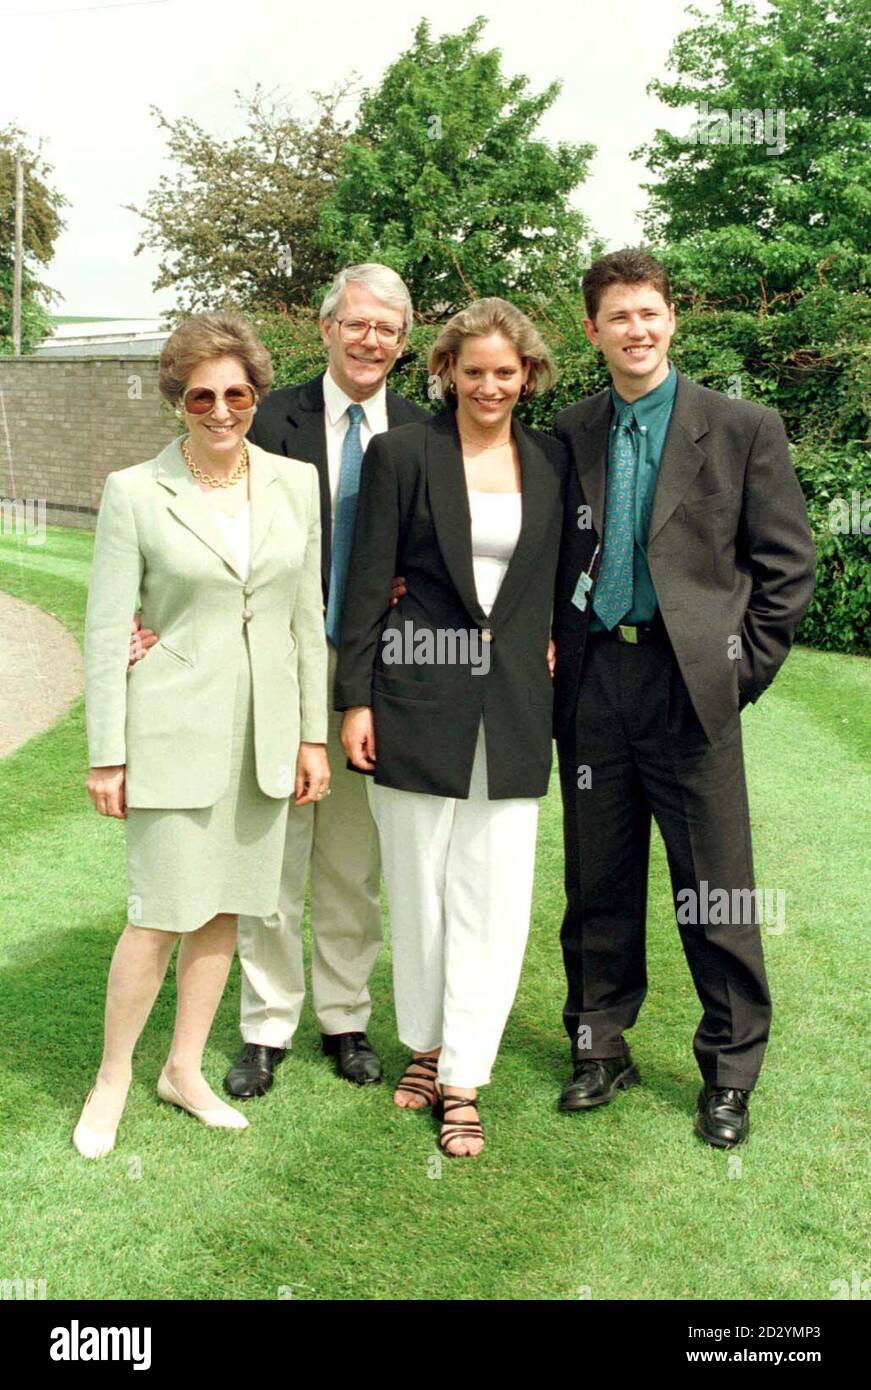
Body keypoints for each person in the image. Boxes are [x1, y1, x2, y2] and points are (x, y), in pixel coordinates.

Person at [552, 249, 816, 1147]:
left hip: (690, 687)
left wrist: (737, 672)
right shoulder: (569, 430)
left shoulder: (741, 427)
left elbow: (786, 567)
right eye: (617, 316)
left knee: (716, 890)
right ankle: (599, 1047)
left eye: (649, 313)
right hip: (594, 683)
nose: (636, 329)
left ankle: (729, 1074)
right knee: (596, 881)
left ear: (673, 320)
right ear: (592, 330)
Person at [74, 312, 328, 1159]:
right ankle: (112, 1077)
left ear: (256, 394)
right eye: (201, 396)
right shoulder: (132, 491)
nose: (221, 411)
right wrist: (107, 753)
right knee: (157, 915)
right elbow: (109, 627)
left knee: (224, 912)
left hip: (264, 738)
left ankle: (183, 1071)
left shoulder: (294, 484)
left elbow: (305, 619)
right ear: (176, 402)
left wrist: (311, 739)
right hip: (170, 733)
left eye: (237, 394)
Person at [336, 298, 566, 1157]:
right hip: (414, 695)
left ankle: (466, 1073)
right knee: (418, 886)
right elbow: (368, 581)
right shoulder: (402, 455)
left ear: (528, 375)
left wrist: (549, 641)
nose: (489, 385)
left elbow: (554, 575)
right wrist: (356, 699)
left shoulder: (551, 461)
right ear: (446, 372)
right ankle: (424, 1048)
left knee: (494, 895)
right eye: (473, 371)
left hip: (511, 703)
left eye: (505, 372)